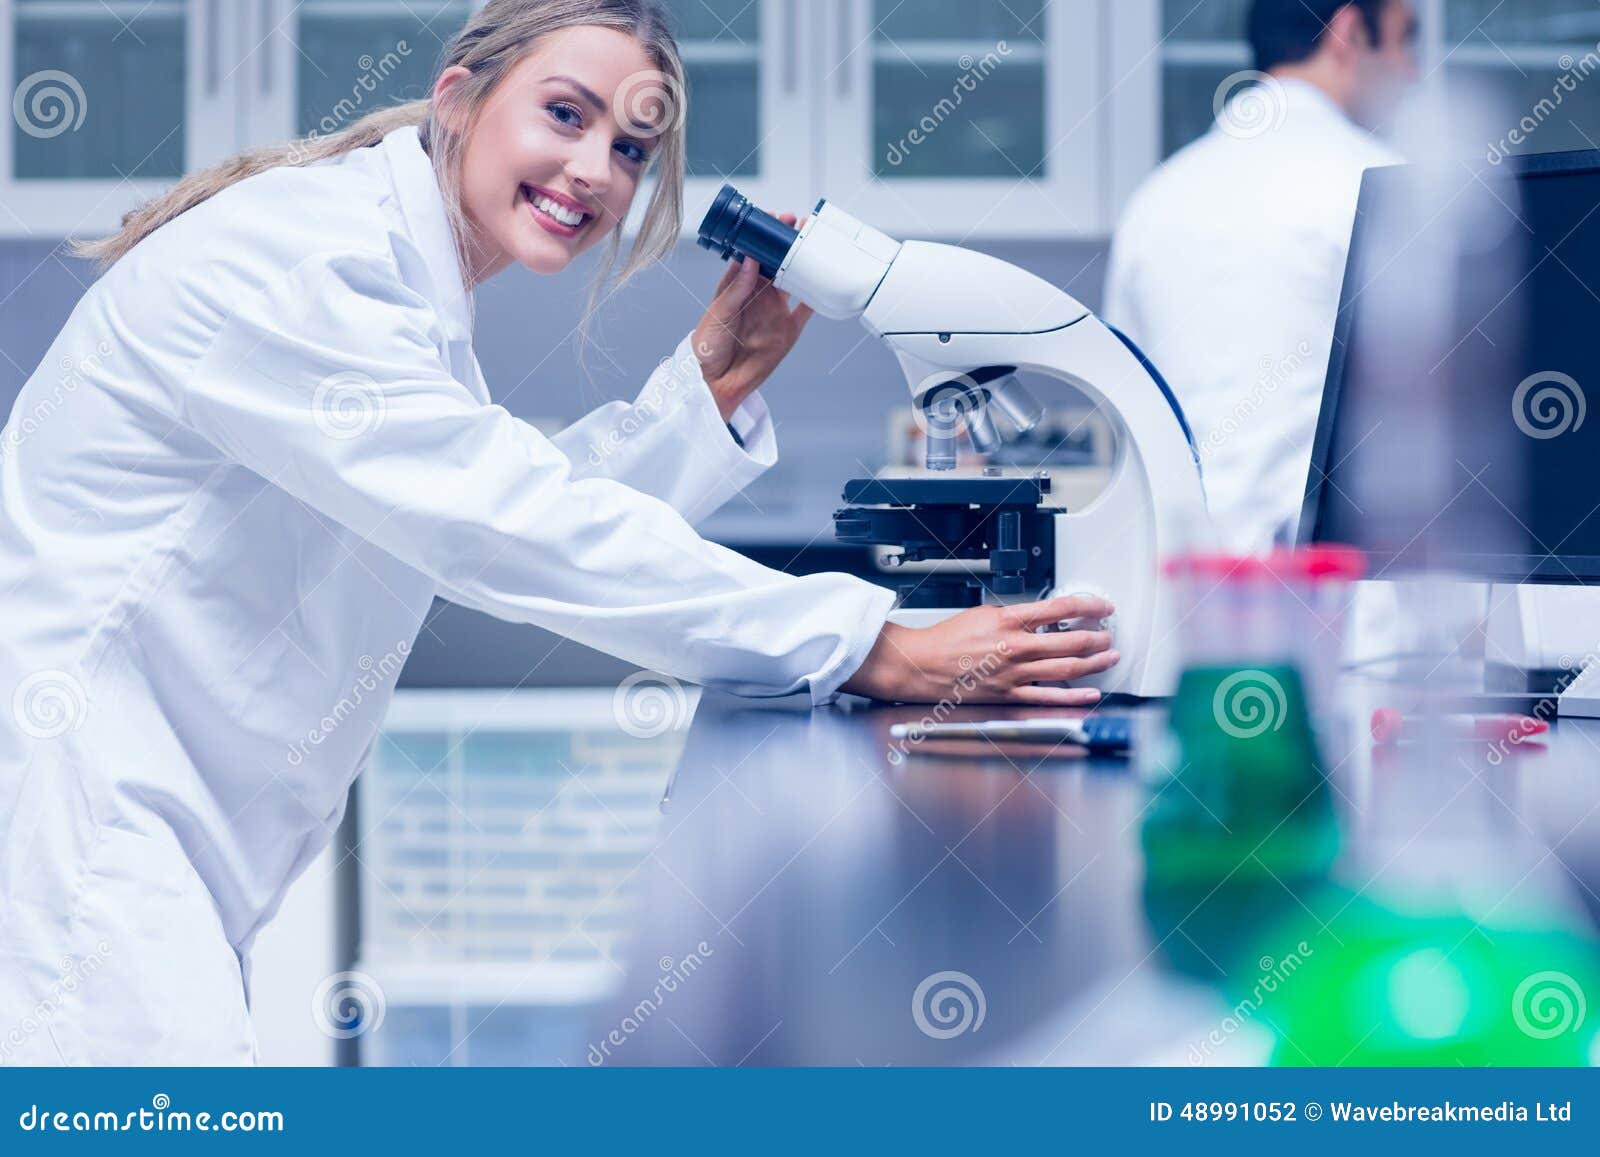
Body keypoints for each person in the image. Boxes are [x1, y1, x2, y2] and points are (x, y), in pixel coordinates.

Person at [0, 0, 1119, 1064]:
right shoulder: (310, 263)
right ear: (458, 98)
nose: (595, 171)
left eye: (633, 149)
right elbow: (504, 522)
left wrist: (704, 390)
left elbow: (495, 497)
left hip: (157, 829)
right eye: (566, 114)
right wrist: (869, 642)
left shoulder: (396, 281)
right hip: (84, 828)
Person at [1104, 0, 1418, 553]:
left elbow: (1123, 410)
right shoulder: (1380, 183)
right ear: (1346, 32)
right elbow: (1440, 418)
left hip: (1186, 599)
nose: (1410, 70)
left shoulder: (1155, 199)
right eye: (1403, 39)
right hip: (1348, 608)